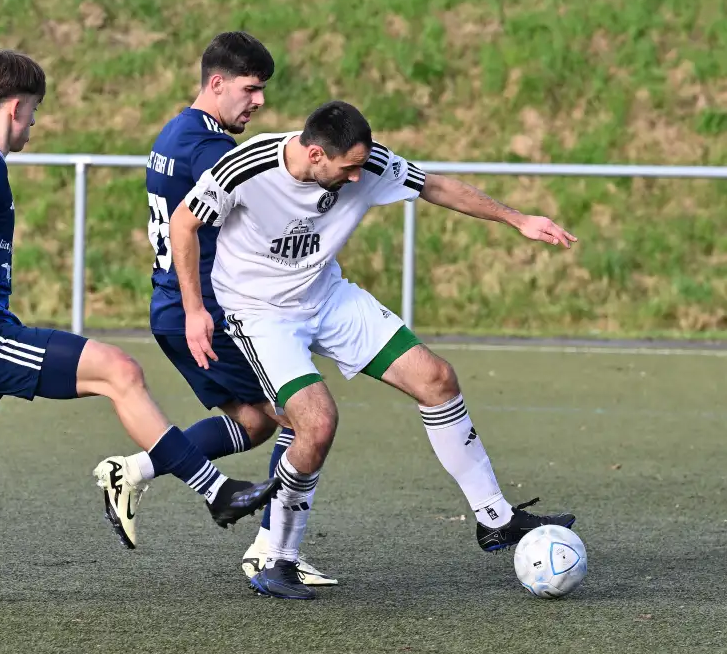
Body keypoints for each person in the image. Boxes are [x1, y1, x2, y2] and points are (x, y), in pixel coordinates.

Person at [0, 50, 277, 604]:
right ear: (15, 108)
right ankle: (216, 491)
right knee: (119, 371)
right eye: (34, 112)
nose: (34, 124)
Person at [169, 100, 578, 600]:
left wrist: (517, 219)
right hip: (260, 314)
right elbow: (184, 223)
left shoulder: (367, 163)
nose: (360, 178)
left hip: (326, 296)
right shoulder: (246, 167)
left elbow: (434, 186)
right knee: (316, 423)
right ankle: (277, 558)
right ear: (315, 155)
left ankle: (496, 519)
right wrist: (194, 309)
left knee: (436, 379)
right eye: (349, 169)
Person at [92, 32, 335, 586]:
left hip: (175, 306)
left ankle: (134, 470)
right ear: (217, 83)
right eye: (250, 89)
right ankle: (272, 551)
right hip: (205, 310)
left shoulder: (176, 131)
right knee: (303, 419)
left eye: (263, 90)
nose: (260, 102)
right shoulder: (211, 151)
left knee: (253, 422)